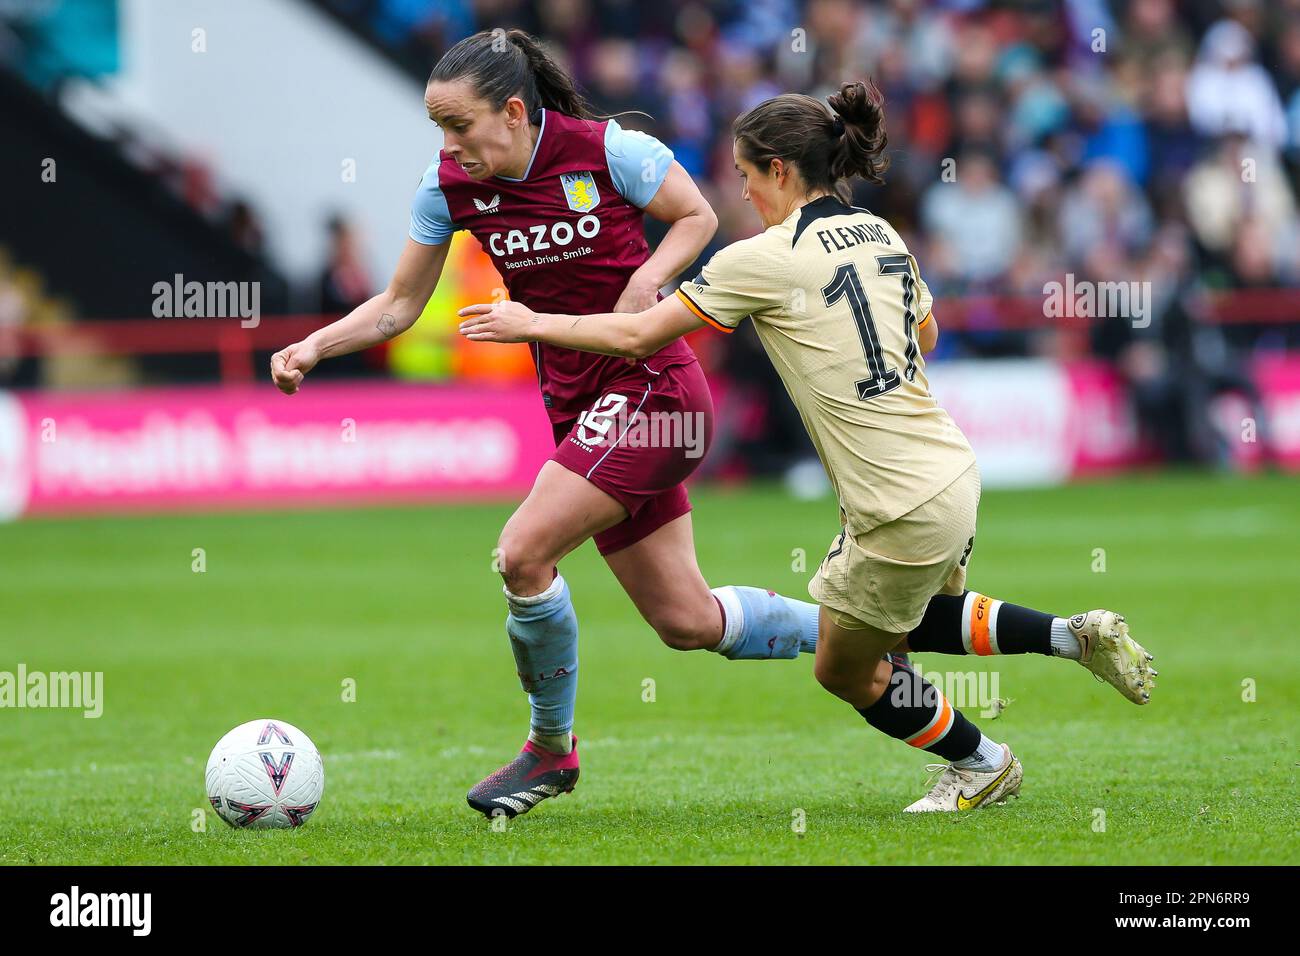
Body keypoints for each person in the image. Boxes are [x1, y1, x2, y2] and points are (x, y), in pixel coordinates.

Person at [458, 80, 1157, 811]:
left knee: (844, 667)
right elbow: (927, 335)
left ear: (779, 172)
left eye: (745, 175)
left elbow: (638, 335)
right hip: (949, 468)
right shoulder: (882, 233)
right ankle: (1072, 637)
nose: (743, 193)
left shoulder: (762, 258)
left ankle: (984, 764)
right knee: (906, 625)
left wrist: (531, 323)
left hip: (894, 499)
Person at [272, 30, 838, 820]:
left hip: (654, 390)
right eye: (439, 128)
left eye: (459, 126)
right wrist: (315, 345)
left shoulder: (612, 152)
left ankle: (550, 749)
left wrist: (646, 280)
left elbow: (696, 215)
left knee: (522, 552)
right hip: (583, 408)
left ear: (511, 111)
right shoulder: (446, 190)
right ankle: (861, 632)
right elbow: (399, 305)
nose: (450, 145)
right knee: (686, 620)